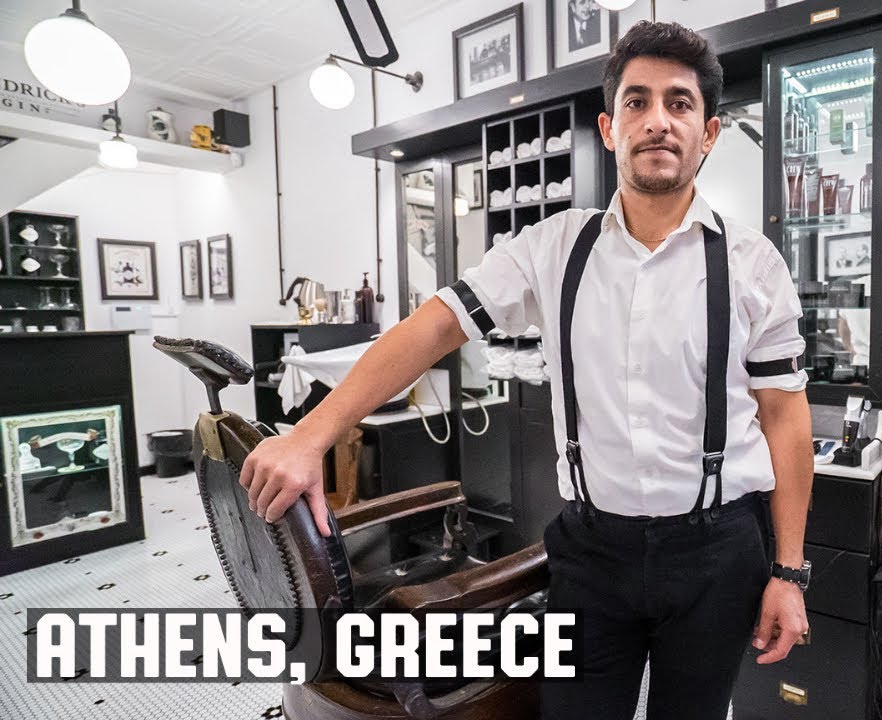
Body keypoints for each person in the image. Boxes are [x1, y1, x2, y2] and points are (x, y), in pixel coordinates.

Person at [239, 20, 813, 720]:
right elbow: (436, 324)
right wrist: (312, 433)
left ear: (709, 132)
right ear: (609, 129)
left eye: (679, 103)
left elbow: (785, 418)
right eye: (637, 101)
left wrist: (789, 571)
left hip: (718, 552)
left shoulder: (754, 265)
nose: (658, 121)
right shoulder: (553, 247)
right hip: (592, 552)